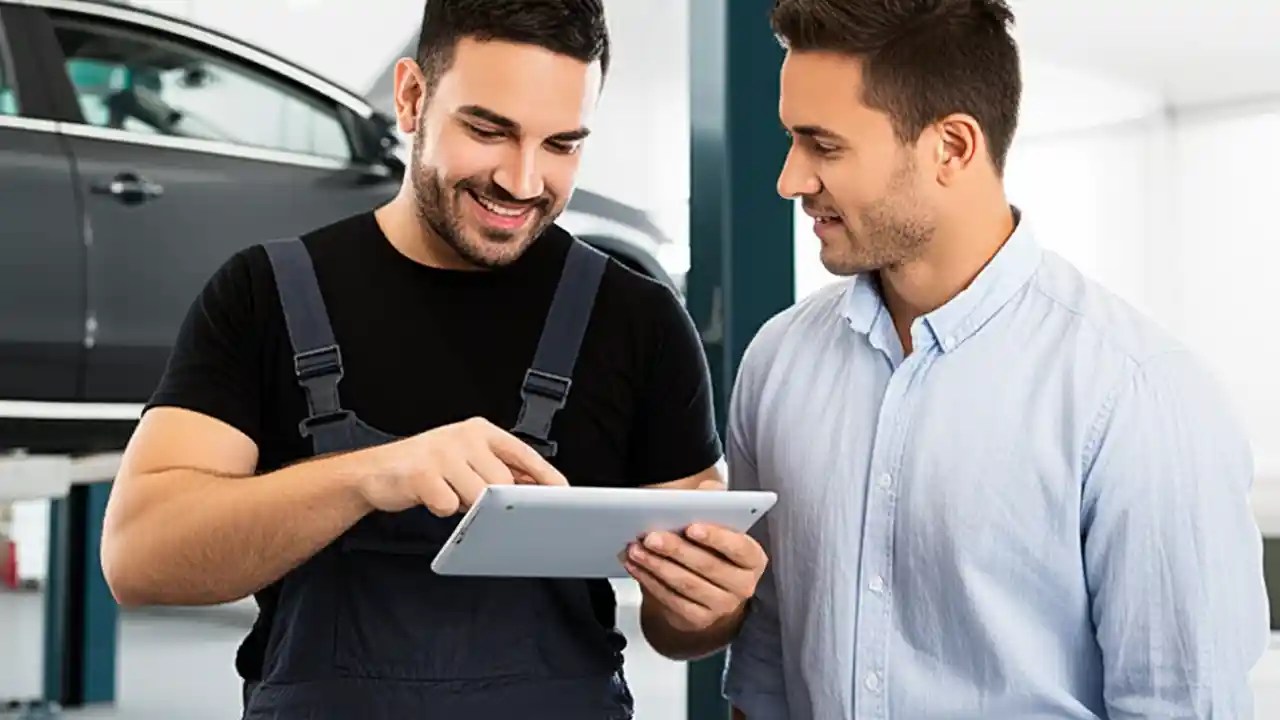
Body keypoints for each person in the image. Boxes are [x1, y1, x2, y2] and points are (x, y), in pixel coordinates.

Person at [99, 1, 767, 718]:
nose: (522, 180)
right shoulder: (262, 297)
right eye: (488, 130)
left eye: (562, 145)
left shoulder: (640, 321)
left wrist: (709, 607)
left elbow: (684, 628)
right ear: (413, 96)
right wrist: (372, 475)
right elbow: (140, 557)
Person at [722, 1, 1270, 718]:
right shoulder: (778, 363)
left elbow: (1181, 705)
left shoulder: (1138, 395)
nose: (790, 180)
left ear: (951, 146)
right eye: (793, 141)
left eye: (823, 146)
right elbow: (764, 671)